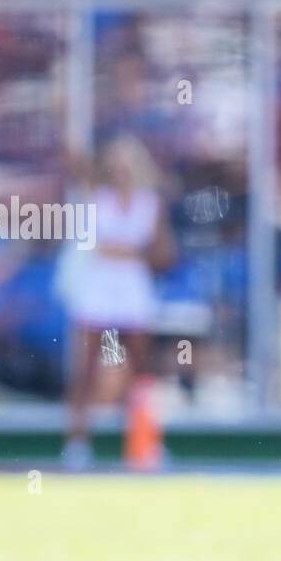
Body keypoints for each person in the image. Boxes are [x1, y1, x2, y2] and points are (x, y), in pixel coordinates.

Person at [57, 135, 176, 469]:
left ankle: (145, 445)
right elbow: (100, 245)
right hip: (98, 289)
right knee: (86, 369)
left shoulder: (150, 203)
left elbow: (159, 251)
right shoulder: (95, 199)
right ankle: (77, 443)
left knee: (140, 370)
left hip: (133, 290)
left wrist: (126, 251)